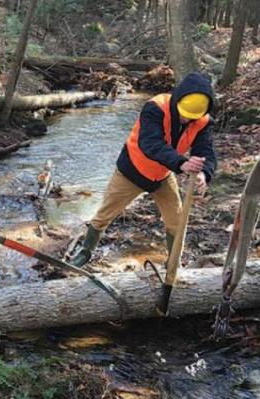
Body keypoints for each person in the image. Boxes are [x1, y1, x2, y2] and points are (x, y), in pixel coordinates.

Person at [70, 71, 216, 267]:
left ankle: (173, 263)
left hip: (162, 176)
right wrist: (181, 163)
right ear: (177, 101)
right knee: (104, 215)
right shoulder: (155, 108)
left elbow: (205, 150)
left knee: (177, 221)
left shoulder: (202, 121)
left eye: (190, 118)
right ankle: (86, 252)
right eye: (182, 115)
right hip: (131, 171)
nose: (185, 120)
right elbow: (151, 144)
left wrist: (204, 173)